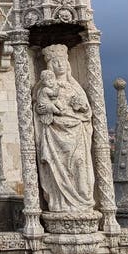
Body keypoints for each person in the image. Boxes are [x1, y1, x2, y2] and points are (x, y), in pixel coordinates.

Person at [33, 44, 95, 213]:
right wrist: (47, 109)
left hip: (76, 131)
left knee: (80, 163)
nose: (59, 65)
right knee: (54, 167)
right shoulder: (43, 88)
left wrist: (81, 107)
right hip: (54, 133)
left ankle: (83, 201)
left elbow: (87, 111)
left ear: (67, 64)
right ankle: (59, 203)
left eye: (62, 61)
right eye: (55, 62)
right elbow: (39, 108)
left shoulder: (75, 87)